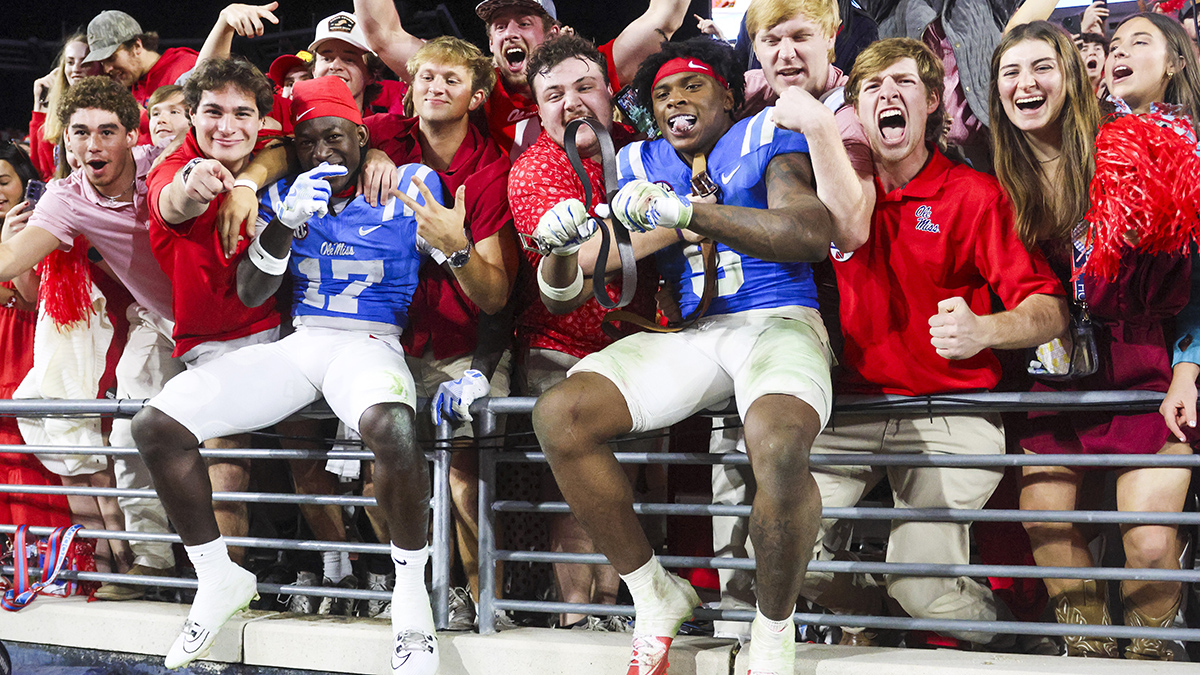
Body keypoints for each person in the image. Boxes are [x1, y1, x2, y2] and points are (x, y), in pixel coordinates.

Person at [531, 36, 837, 675]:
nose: (675, 101)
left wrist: (694, 213)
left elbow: (810, 232)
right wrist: (558, 247)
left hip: (779, 319)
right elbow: (567, 294)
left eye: (692, 86)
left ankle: (774, 630)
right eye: (662, 94)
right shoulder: (643, 163)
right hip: (699, 334)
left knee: (778, 447)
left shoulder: (765, 138)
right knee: (560, 415)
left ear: (727, 94)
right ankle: (654, 594)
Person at [130, 75, 444, 672]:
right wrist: (284, 223)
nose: (321, 153)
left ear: (360, 134)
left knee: (392, 426)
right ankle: (218, 576)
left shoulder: (409, 182)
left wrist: (475, 363)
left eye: (335, 138)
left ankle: (411, 598)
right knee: (156, 425)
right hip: (302, 342)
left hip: (372, 341)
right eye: (307, 143)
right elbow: (252, 289)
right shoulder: (284, 190)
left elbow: (467, 283)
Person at [798, 37, 1068, 650]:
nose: (887, 96)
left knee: (922, 585)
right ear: (856, 111)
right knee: (788, 554)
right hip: (854, 411)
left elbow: (1049, 309)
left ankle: (1011, 640)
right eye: (872, 87)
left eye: (904, 84)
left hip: (953, 411)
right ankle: (881, 616)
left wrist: (985, 329)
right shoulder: (835, 197)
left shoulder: (974, 195)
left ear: (931, 106)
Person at [995, 17, 1198, 660]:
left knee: (1150, 541)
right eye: (1011, 73)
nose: (1027, 84)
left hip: (1148, 362)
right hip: (1055, 369)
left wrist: (1190, 370)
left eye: (1042, 68)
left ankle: (1151, 656)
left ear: (1075, 80)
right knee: (1046, 524)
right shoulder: (1003, 176)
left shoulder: (1137, 143)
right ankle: (1090, 657)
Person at [362, 35, 520, 627]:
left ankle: (486, 605)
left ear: (478, 96)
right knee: (372, 473)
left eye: (452, 80)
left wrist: (453, 249)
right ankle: (427, 591)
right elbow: (299, 141)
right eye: (426, 76)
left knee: (463, 477)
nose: (435, 87)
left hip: (468, 344)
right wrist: (370, 156)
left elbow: (495, 295)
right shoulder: (380, 137)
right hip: (386, 341)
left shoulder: (491, 168)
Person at [508, 34, 662, 632]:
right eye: (553, 94)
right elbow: (595, 256)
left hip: (638, 348)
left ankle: (618, 617)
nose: (569, 103)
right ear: (539, 110)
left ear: (610, 94)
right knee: (579, 497)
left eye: (583, 87)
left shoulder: (639, 150)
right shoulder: (536, 170)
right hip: (560, 349)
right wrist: (682, 224)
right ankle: (577, 621)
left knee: (627, 493)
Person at [354, 0, 691, 159]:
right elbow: (383, 37)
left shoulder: (590, 69)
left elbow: (664, 16)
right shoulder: (473, 82)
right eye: (500, 26)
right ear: (489, 42)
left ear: (553, 33)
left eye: (524, 22)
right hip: (510, 236)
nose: (510, 33)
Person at [0, 143, 72, 534]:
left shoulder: (40, 225)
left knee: (24, 444)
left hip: (22, 343)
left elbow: (29, 297)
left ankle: (44, 559)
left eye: (3, 181)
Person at [81, 10, 199, 142]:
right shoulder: (131, 82)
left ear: (136, 46)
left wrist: (142, 117)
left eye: (112, 58)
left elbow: (198, 129)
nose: (107, 69)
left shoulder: (185, 67)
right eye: (102, 62)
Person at [29, 33, 98, 180]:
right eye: (70, 62)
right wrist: (39, 101)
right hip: (55, 192)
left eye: (85, 62)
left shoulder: (104, 110)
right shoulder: (59, 108)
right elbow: (38, 166)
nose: (76, 69)